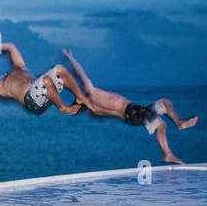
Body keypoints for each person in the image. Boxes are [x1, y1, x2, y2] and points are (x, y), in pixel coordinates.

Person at [56, 49, 198, 164]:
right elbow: (81, 74)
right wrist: (71, 58)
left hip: (132, 114)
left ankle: (172, 139)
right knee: (162, 114)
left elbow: (78, 97)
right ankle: (171, 145)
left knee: (162, 114)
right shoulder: (92, 93)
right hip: (132, 111)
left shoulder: (94, 108)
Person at [0, 41, 84, 115]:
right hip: (31, 100)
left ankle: (79, 97)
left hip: (44, 94)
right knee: (46, 80)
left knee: (59, 69)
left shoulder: (19, 66)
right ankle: (62, 107)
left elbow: (11, 47)